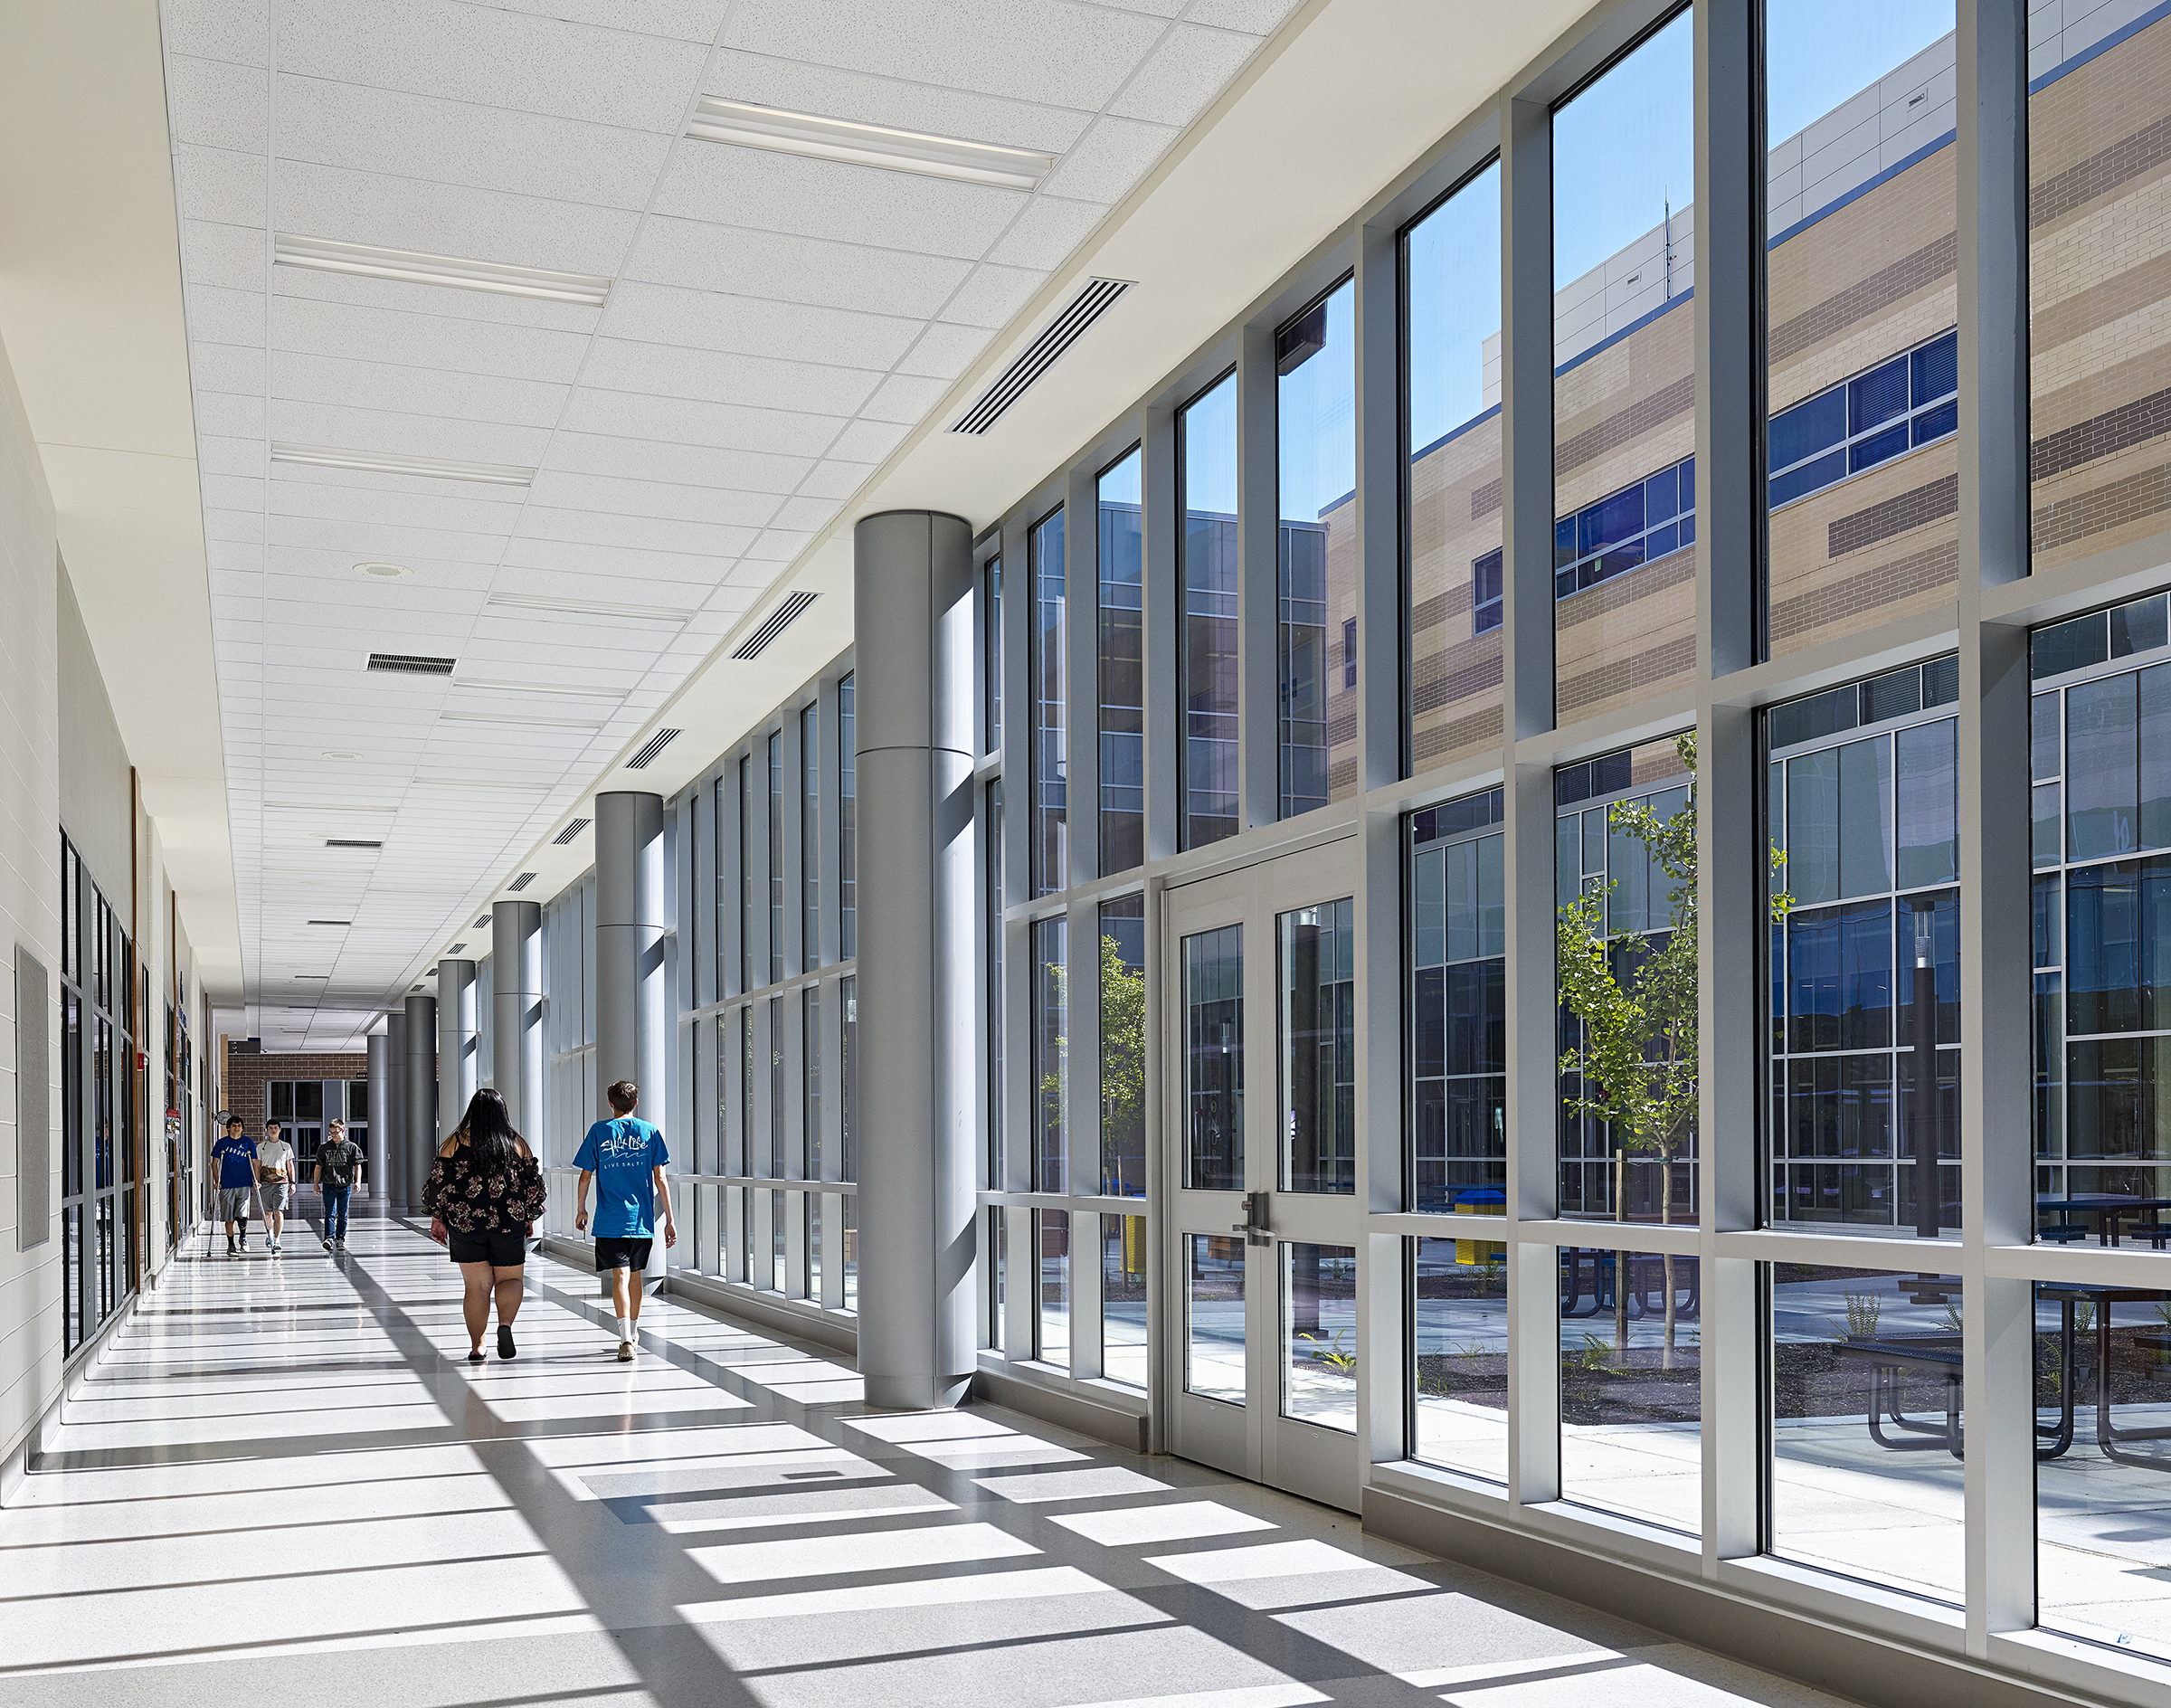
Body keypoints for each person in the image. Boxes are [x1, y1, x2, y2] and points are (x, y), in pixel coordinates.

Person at [422, 1087, 546, 1364]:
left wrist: (437, 1217)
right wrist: (528, 1217)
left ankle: (478, 1346)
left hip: (466, 1223)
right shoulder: (516, 1143)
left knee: (477, 1286)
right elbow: (533, 1185)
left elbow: (438, 1183)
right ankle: (505, 1326)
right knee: (511, 1280)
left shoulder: (455, 1141)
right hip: (508, 1222)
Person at [574, 1079, 675, 1362]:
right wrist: (670, 1219)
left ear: (611, 1104)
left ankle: (625, 1338)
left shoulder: (599, 1131)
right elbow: (660, 1178)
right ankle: (633, 1331)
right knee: (635, 1276)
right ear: (635, 1103)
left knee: (620, 1276)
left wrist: (581, 1209)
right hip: (640, 1220)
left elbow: (585, 1176)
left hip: (610, 1219)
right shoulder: (649, 1131)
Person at [211, 1112, 256, 1257]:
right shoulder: (222, 1143)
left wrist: (256, 1180)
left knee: (242, 1215)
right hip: (227, 1184)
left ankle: (243, 1237)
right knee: (229, 1217)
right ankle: (231, 1246)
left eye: (239, 1126)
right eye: (234, 1125)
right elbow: (214, 1163)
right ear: (228, 1128)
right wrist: (217, 1181)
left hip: (244, 1183)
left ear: (242, 1128)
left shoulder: (248, 1142)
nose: (237, 1128)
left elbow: (255, 1162)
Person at [313, 1118, 362, 1250]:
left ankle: (340, 1239)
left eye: (336, 1132)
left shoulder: (351, 1147)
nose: (333, 1135)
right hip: (329, 1184)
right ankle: (329, 1238)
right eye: (331, 1132)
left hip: (345, 1185)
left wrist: (358, 1181)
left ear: (342, 1131)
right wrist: (315, 1183)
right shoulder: (324, 1148)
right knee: (330, 1212)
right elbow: (318, 1166)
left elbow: (357, 1166)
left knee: (343, 1213)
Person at [255, 1119, 295, 1254]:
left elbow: (290, 1165)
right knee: (267, 1213)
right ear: (267, 1130)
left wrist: (293, 1182)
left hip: (282, 1183)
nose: (273, 1130)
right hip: (265, 1183)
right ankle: (270, 1234)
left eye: (276, 1127)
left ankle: (277, 1240)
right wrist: (257, 1181)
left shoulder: (286, 1146)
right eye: (271, 1128)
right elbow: (257, 1166)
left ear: (280, 1129)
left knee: (279, 1211)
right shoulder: (261, 1147)